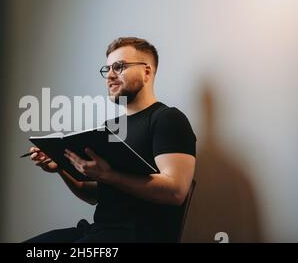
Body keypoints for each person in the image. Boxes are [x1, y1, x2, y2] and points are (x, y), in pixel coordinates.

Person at [25, 37, 196, 242]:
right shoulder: (112, 126)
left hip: (136, 236)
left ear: (146, 72)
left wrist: (110, 175)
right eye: (107, 70)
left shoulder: (167, 119)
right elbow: (96, 196)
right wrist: (61, 168)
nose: (110, 76)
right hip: (99, 231)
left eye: (119, 67)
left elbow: (176, 191)